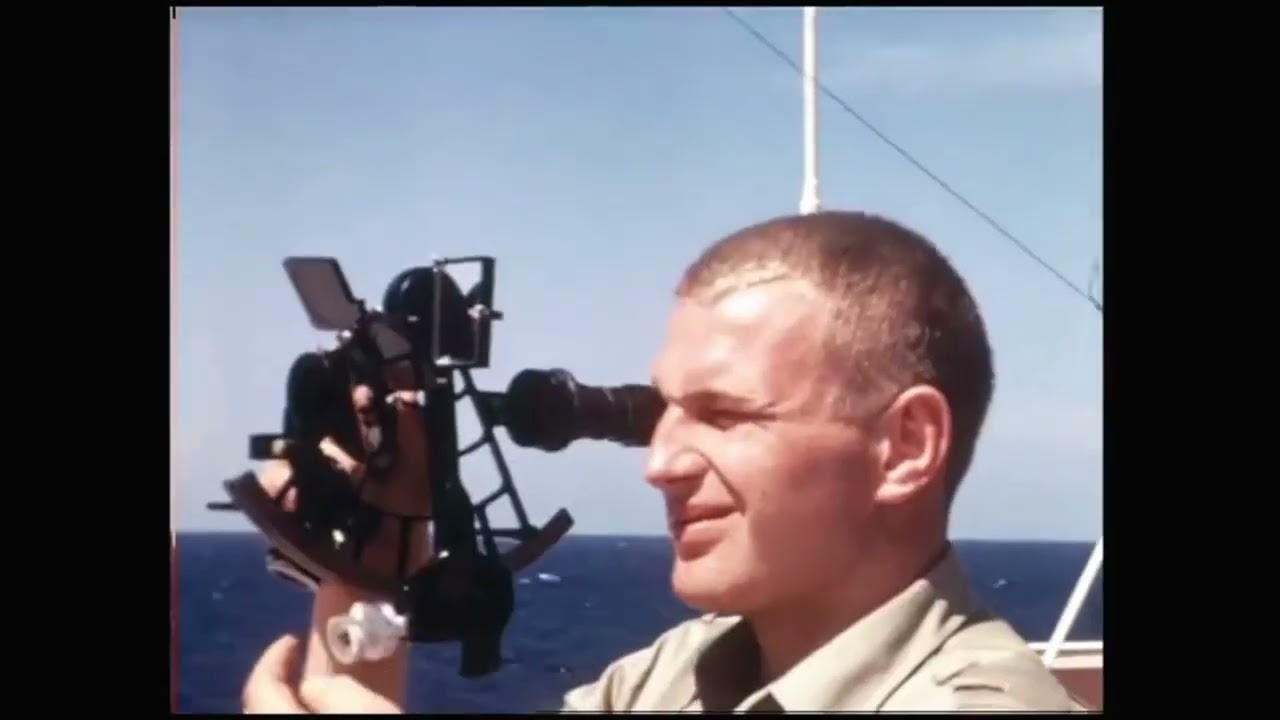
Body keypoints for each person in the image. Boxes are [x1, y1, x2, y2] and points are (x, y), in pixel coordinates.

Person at [240, 210, 1082, 713]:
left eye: (724, 415)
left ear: (906, 448)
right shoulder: (675, 678)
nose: (662, 462)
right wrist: (380, 535)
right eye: (661, 412)